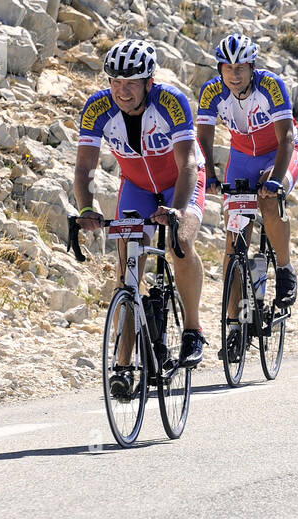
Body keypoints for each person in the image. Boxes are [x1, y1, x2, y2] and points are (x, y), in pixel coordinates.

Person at [74, 39, 207, 383]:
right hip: (136, 187)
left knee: (180, 241)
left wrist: (177, 210)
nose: (122, 90)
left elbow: (189, 162)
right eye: (116, 82)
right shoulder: (97, 108)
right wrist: (86, 208)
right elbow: (84, 167)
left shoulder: (171, 102)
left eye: (131, 82)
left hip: (179, 181)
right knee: (127, 272)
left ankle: (193, 329)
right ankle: (123, 366)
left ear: (149, 82)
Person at [195, 33, 298, 364]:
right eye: (228, 68)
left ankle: (284, 269)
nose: (235, 75)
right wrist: (211, 177)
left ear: (251, 67)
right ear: (221, 69)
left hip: (280, 154)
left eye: (241, 68)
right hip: (241, 157)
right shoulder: (212, 92)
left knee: (270, 202)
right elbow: (203, 136)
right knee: (234, 243)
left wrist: (273, 181)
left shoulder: (271, 86)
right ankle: (234, 325)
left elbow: (286, 137)